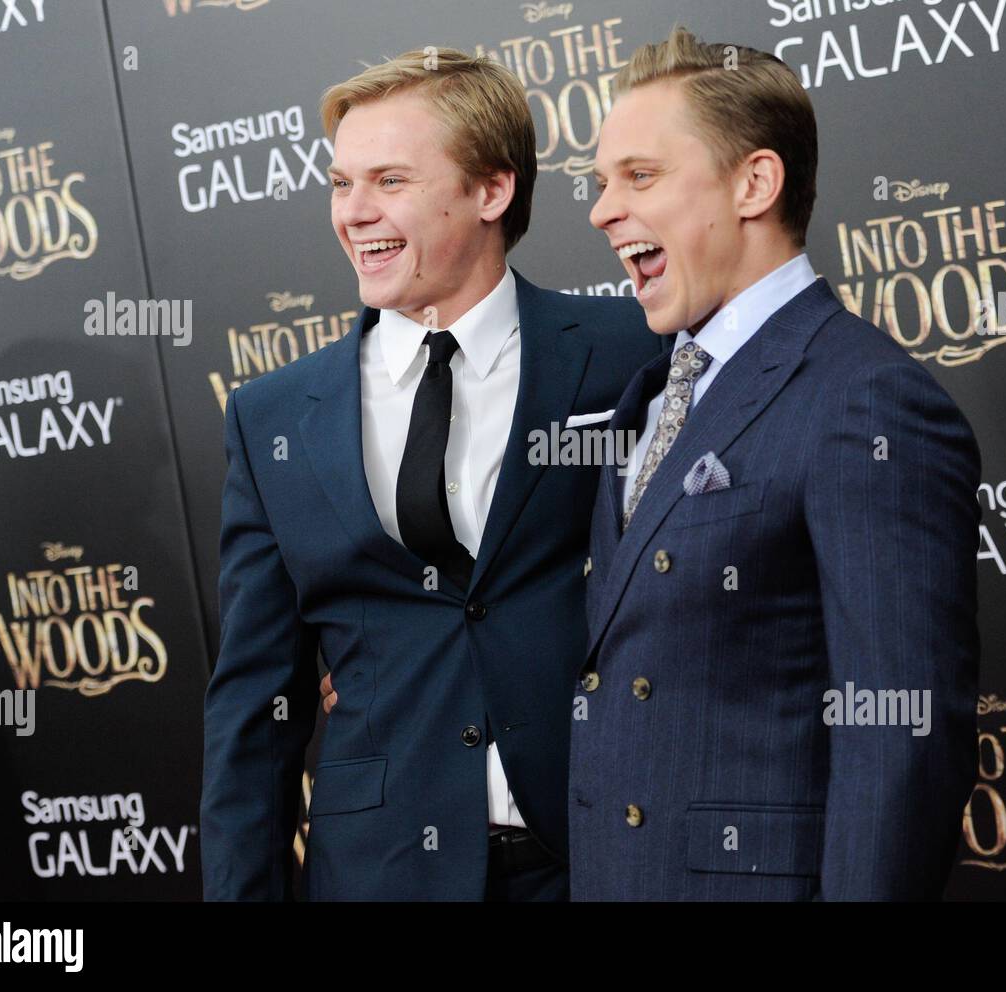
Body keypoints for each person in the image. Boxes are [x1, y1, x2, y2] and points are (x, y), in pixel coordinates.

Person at [201, 47, 660, 901]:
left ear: (492, 191)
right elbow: (253, 707)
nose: (354, 213)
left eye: (389, 181)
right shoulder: (273, 418)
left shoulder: (629, 357)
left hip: (607, 855)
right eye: (340, 184)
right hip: (381, 873)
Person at [569, 27, 982, 900]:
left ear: (755, 182)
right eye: (602, 183)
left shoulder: (865, 400)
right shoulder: (647, 396)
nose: (603, 210)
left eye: (639, 176)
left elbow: (898, 736)